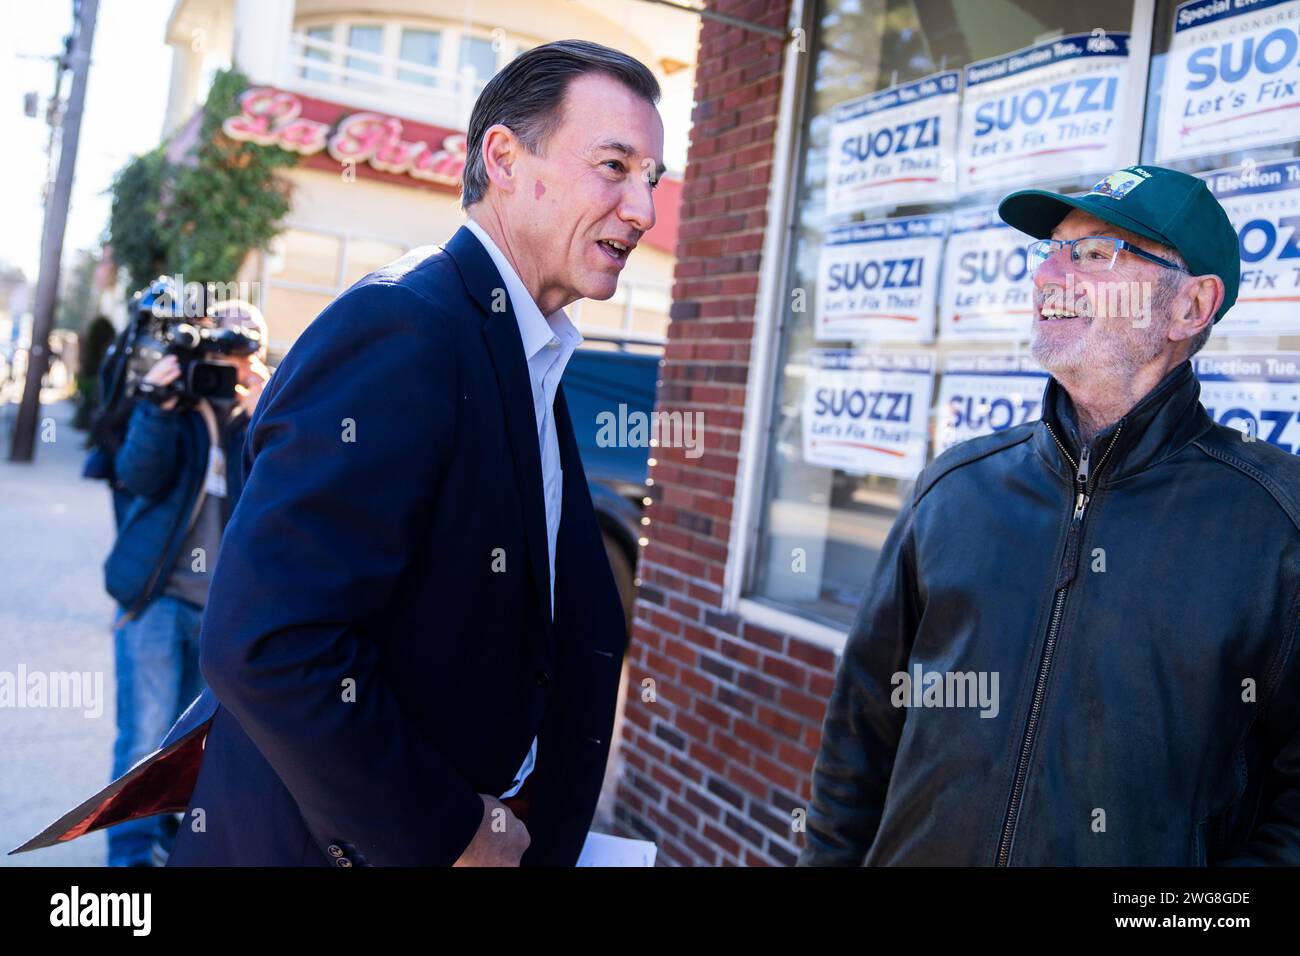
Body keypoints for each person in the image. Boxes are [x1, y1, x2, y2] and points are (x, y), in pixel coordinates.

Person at [164, 39, 662, 867]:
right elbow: (267, 639)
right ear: (503, 158)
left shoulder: (520, 344)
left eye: (652, 178)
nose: (642, 208)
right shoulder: (407, 325)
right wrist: (451, 830)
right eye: (614, 165)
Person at [799, 164, 1300, 866]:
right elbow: (859, 738)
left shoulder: (1276, 524)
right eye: (1051, 251)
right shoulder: (955, 490)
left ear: (1190, 307)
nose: (1048, 277)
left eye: (1094, 254)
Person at [102, 302, 269, 866]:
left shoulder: (264, 420)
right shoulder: (175, 410)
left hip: (222, 616)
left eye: (245, 358)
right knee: (142, 738)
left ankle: (174, 841)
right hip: (157, 598)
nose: (230, 371)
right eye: (222, 356)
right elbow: (136, 475)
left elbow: (277, 505)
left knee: (187, 748)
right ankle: (128, 858)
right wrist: (157, 403)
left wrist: (273, 408)